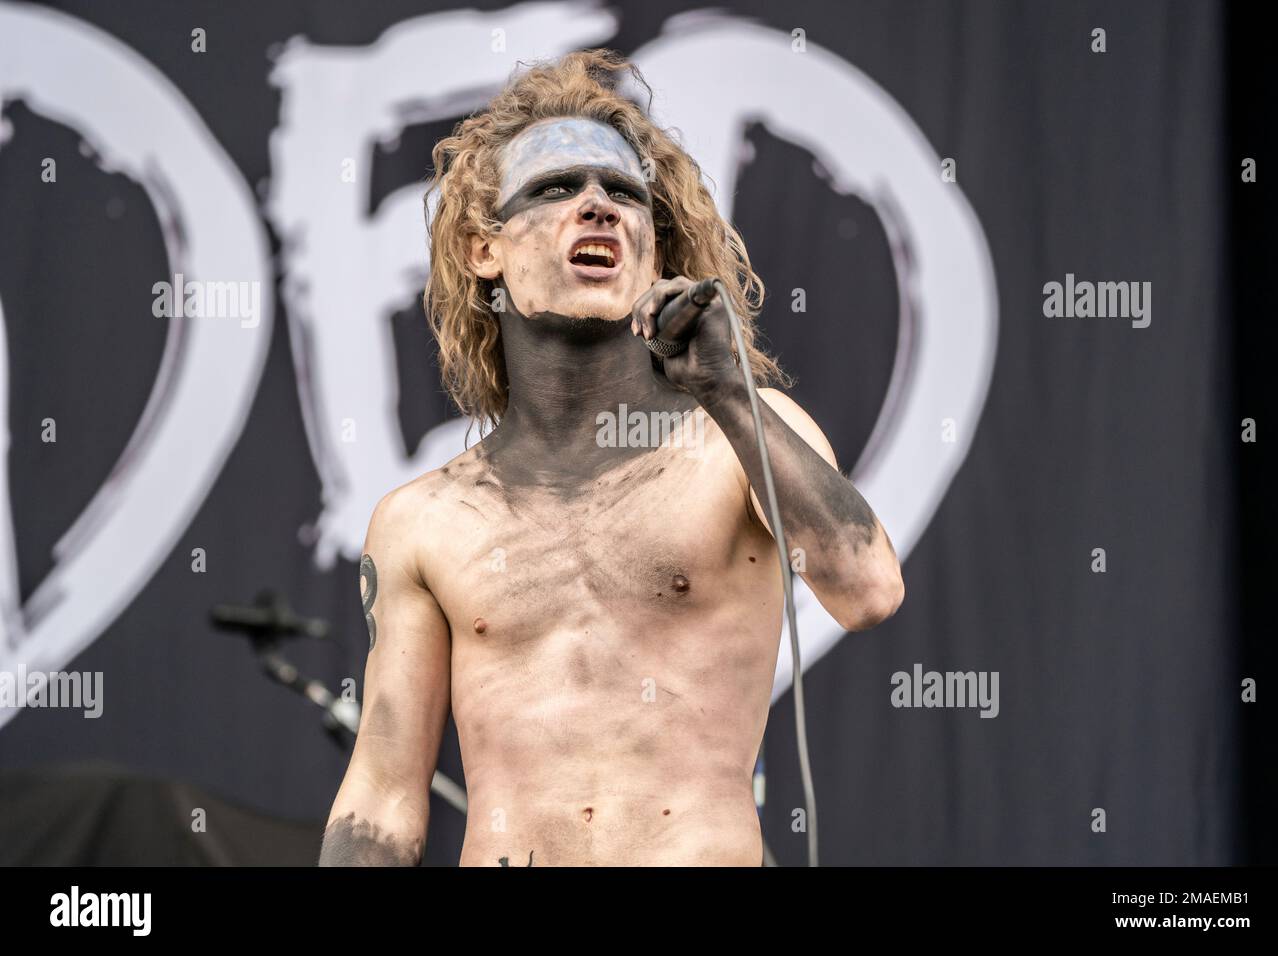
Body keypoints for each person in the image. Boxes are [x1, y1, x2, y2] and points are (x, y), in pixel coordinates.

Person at [319, 49, 903, 866]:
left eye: (625, 194)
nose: (598, 206)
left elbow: (868, 588)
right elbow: (382, 794)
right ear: (486, 251)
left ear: (653, 255)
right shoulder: (423, 520)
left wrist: (729, 391)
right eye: (555, 189)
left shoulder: (737, 439)